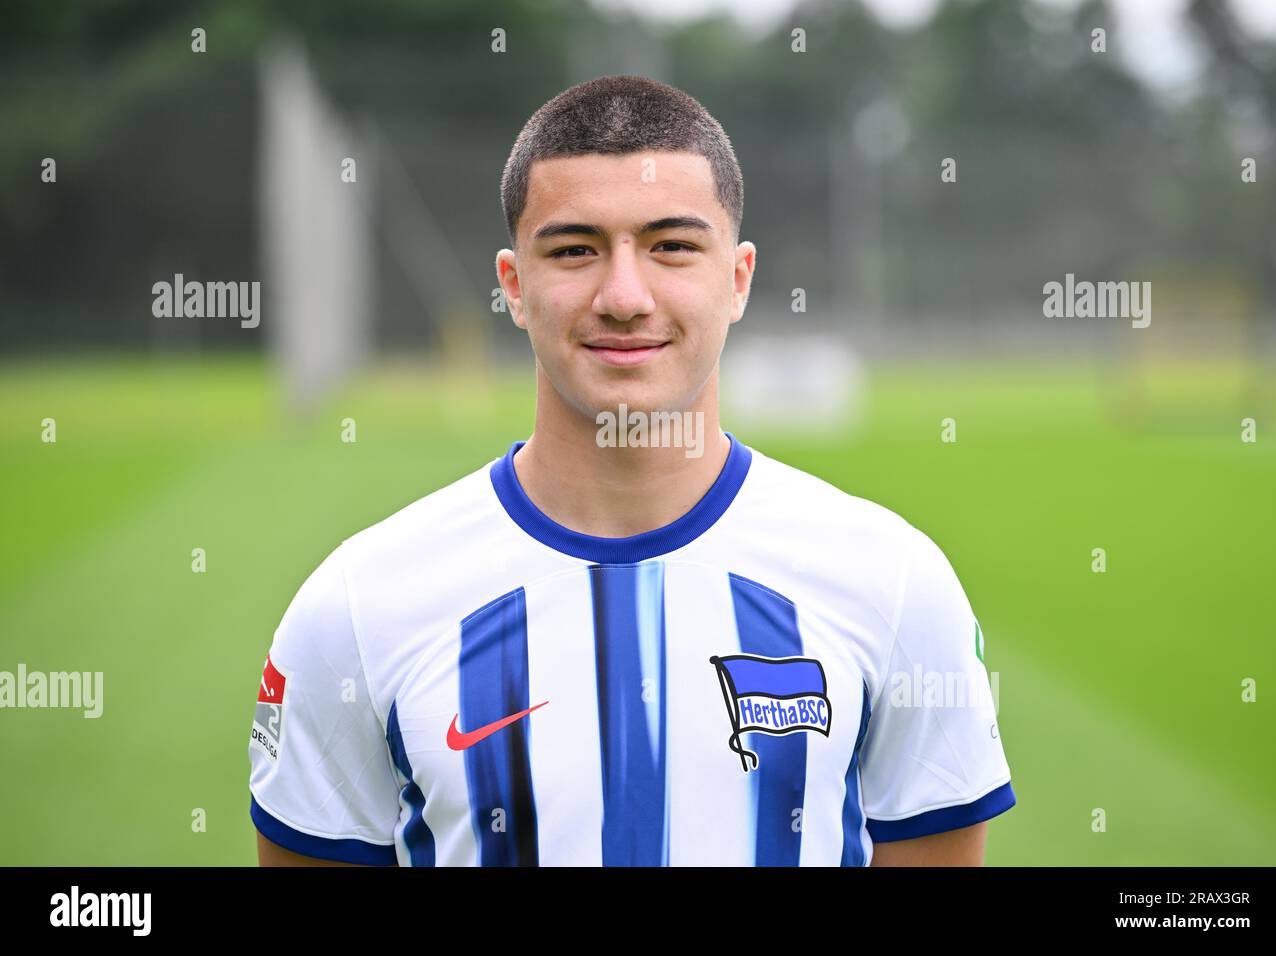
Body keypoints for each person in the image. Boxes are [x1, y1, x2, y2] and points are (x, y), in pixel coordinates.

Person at [248, 74, 1015, 867]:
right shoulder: (358, 607)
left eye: (673, 247)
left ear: (739, 278)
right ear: (513, 286)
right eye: (575, 249)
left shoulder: (892, 582)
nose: (623, 295)